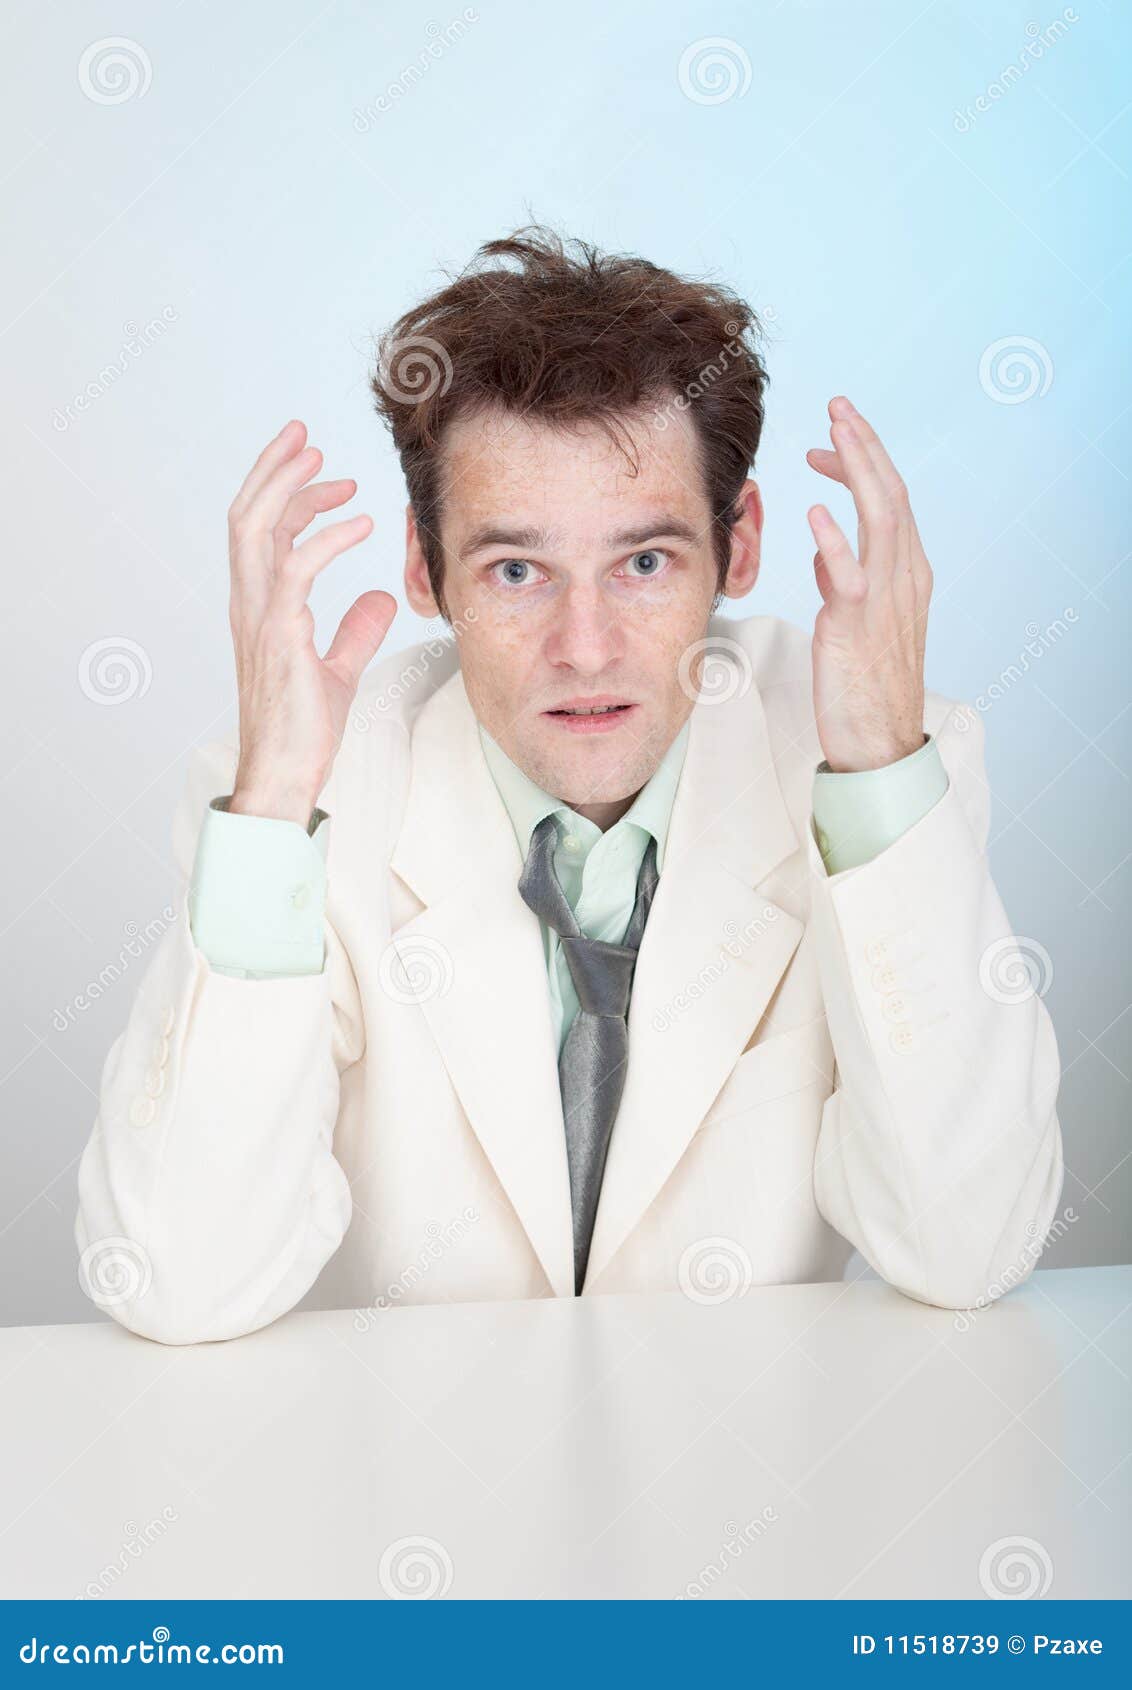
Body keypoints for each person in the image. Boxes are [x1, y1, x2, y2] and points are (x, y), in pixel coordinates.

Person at [74, 227, 1063, 1344]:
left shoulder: (869, 760)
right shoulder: (310, 796)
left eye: (644, 563)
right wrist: (271, 811)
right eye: (515, 570)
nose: (584, 647)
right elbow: (178, 1282)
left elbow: (968, 1247)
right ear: (423, 569)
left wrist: (879, 771)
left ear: (736, 555)